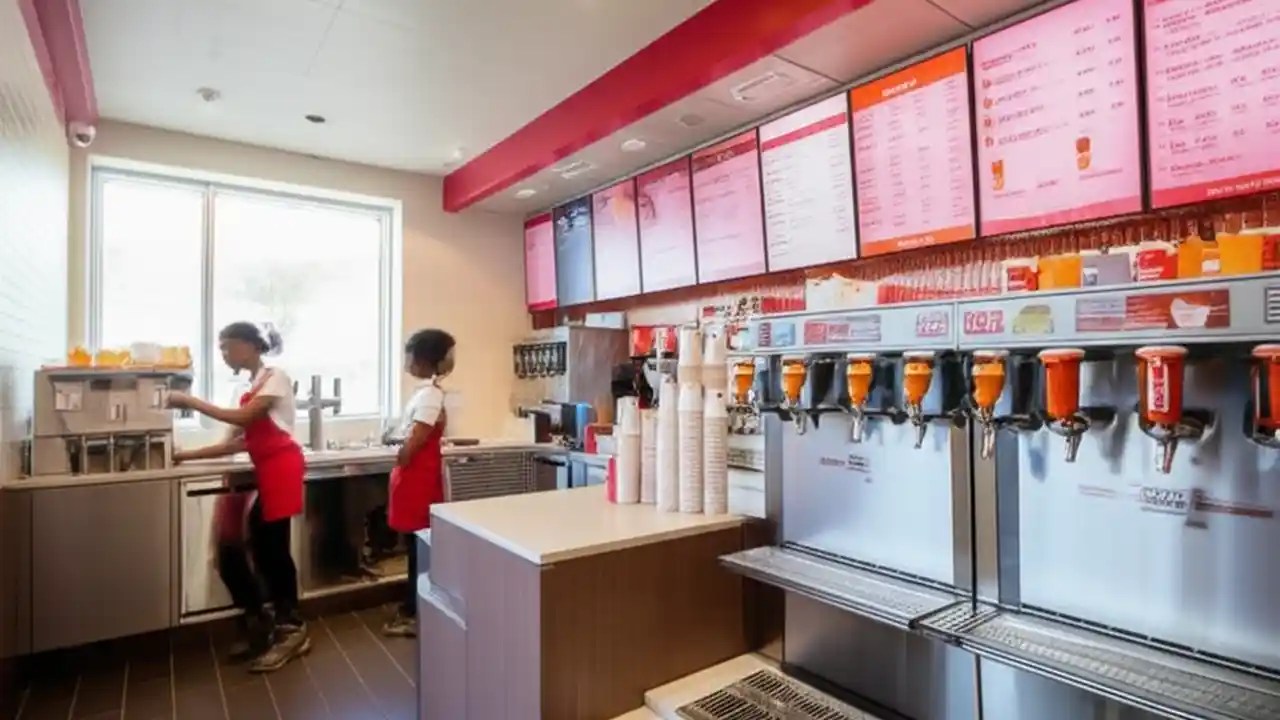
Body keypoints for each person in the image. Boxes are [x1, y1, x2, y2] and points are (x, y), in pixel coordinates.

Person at [168, 322, 309, 672]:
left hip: (282, 468)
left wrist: (189, 401)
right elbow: (239, 442)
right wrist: (184, 455)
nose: (224, 354)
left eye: (228, 346)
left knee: (272, 549)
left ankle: (292, 628)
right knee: (263, 547)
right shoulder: (255, 384)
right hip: (268, 468)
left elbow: (245, 418)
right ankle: (276, 624)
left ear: (250, 346)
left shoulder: (275, 377)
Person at [383, 328, 455, 637]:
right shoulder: (426, 392)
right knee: (415, 545)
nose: (406, 360)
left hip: (418, 480)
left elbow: (415, 440)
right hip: (414, 477)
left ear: (423, 359)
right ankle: (413, 607)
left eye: (409, 354)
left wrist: (399, 456)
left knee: (419, 546)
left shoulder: (430, 395)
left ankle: (416, 611)